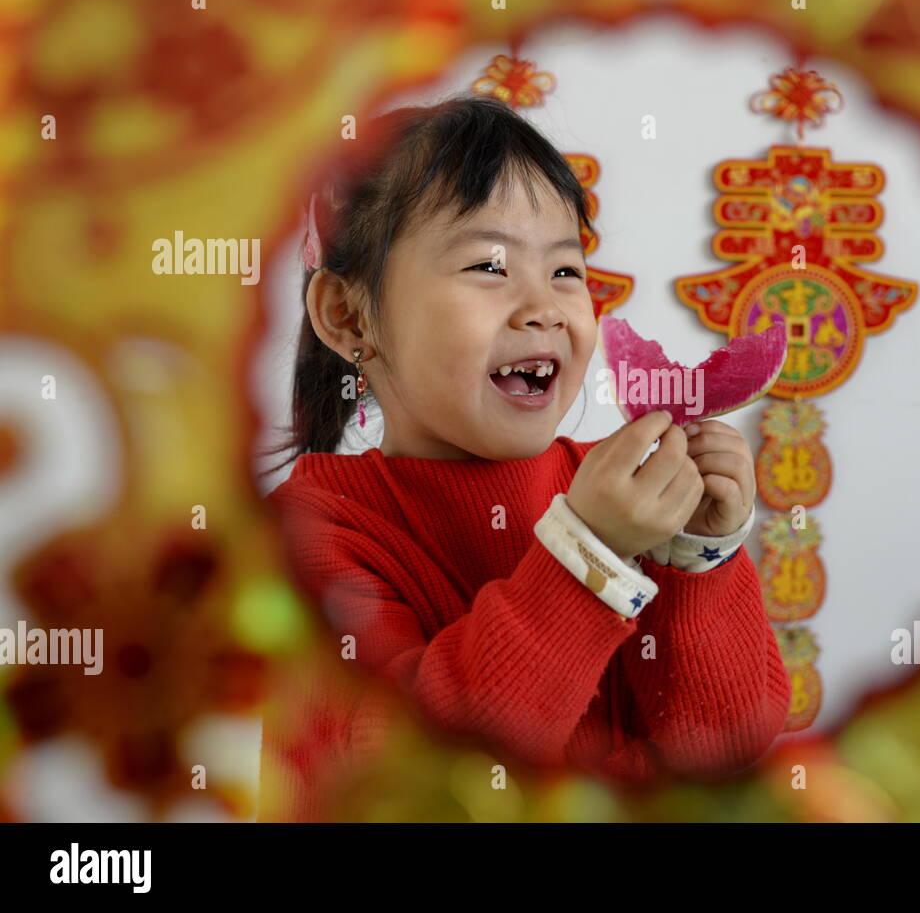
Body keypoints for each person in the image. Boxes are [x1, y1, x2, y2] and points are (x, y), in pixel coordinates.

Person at [258, 94, 790, 820]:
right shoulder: (311, 534)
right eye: (489, 265)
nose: (545, 307)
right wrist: (588, 552)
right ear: (349, 316)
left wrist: (697, 560)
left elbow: (725, 749)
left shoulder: (622, 495)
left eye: (566, 271)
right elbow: (408, 772)